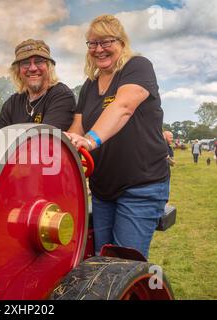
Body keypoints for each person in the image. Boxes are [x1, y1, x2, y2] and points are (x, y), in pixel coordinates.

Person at [65, 14, 169, 259]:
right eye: (92, 44)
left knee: (122, 265)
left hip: (141, 186)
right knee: (103, 259)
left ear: (121, 42)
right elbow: (77, 127)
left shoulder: (137, 66)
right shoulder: (89, 85)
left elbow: (123, 106)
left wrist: (90, 141)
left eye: (106, 42)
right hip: (103, 189)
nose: (99, 49)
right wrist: (60, 143)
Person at [0, 39, 76, 131]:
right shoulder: (11, 104)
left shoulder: (61, 96)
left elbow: (45, 139)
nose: (33, 68)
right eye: (26, 63)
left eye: (38, 62)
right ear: (17, 71)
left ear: (49, 67)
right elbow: (2, 142)